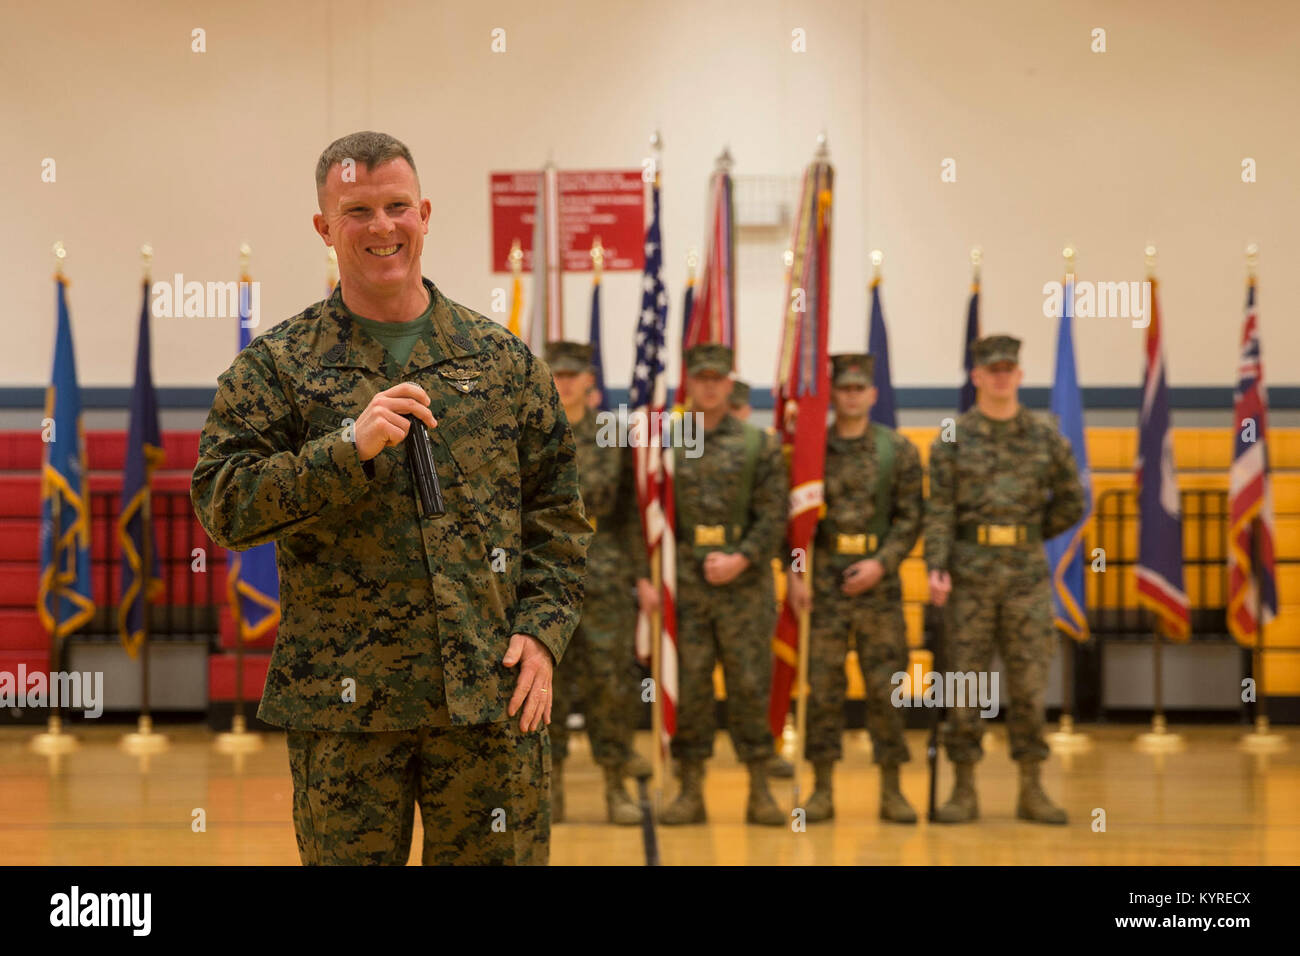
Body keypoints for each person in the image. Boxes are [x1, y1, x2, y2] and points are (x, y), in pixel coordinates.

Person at [191, 131, 590, 865]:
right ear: (324, 227)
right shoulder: (278, 367)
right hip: (344, 713)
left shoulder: (500, 360)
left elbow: (559, 517)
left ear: (425, 212)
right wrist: (347, 451)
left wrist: (542, 630)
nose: (381, 227)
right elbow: (223, 505)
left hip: (488, 701)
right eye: (357, 211)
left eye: (396, 206)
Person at [924, 334, 1083, 825]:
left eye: (1007, 369)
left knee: (1029, 684)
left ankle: (1032, 789)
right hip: (969, 575)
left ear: (1019, 375)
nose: (999, 376)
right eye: (990, 369)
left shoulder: (1045, 438)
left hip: (1025, 578)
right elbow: (940, 508)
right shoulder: (952, 437)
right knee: (965, 684)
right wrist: (937, 564)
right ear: (976, 376)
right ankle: (964, 789)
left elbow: (1073, 502)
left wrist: (1027, 534)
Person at [787, 354, 923, 823]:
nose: (851, 396)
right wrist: (798, 572)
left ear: (873, 394)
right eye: (842, 389)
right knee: (823, 688)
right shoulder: (811, 452)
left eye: (858, 388)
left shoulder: (898, 450)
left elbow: (911, 518)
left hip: (878, 587)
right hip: (824, 585)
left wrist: (881, 565)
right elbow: (796, 523)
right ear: (833, 394)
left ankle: (892, 788)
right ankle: (822, 787)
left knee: (887, 688)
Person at [660, 344, 789, 826]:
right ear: (690, 382)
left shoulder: (760, 444)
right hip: (688, 591)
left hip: (745, 590)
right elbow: (650, 516)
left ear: (730, 383)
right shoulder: (669, 441)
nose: (710, 385)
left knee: (750, 687)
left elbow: (774, 513)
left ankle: (760, 790)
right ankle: (690, 792)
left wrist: (743, 558)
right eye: (702, 377)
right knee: (691, 689)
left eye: (719, 378)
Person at [545, 341, 653, 825]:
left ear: (589, 380)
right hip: (546, 577)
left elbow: (632, 511)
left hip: (606, 576)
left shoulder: (614, 434)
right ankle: (552, 790)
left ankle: (616, 787)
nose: (565, 383)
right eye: (557, 374)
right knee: (550, 684)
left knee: (612, 684)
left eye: (573, 375)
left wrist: (643, 577)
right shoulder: (534, 434)